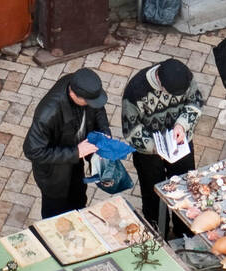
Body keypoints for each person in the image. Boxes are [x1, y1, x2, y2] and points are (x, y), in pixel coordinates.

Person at [120, 58, 205, 234]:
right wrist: (155, 147)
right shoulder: (135, 91)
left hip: (180, 143)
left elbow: (195, 102)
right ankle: (158, 233)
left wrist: (182, 125)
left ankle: (184, 231)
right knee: (153, 194)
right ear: (160, 82)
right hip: (149, 153)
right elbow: (131, 130)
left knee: (185, 187)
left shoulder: (184, 77)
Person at [22, 68, 110, 219]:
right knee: (56, 216)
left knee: (79, 201)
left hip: (74, 161)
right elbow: (32, 150)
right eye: (88, 102)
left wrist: (104, 132)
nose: (91, 104)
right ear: (72, 94)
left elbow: (98, 110)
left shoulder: (82, 86)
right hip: (54, 174)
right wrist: (76, 152)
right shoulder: (48, 113)